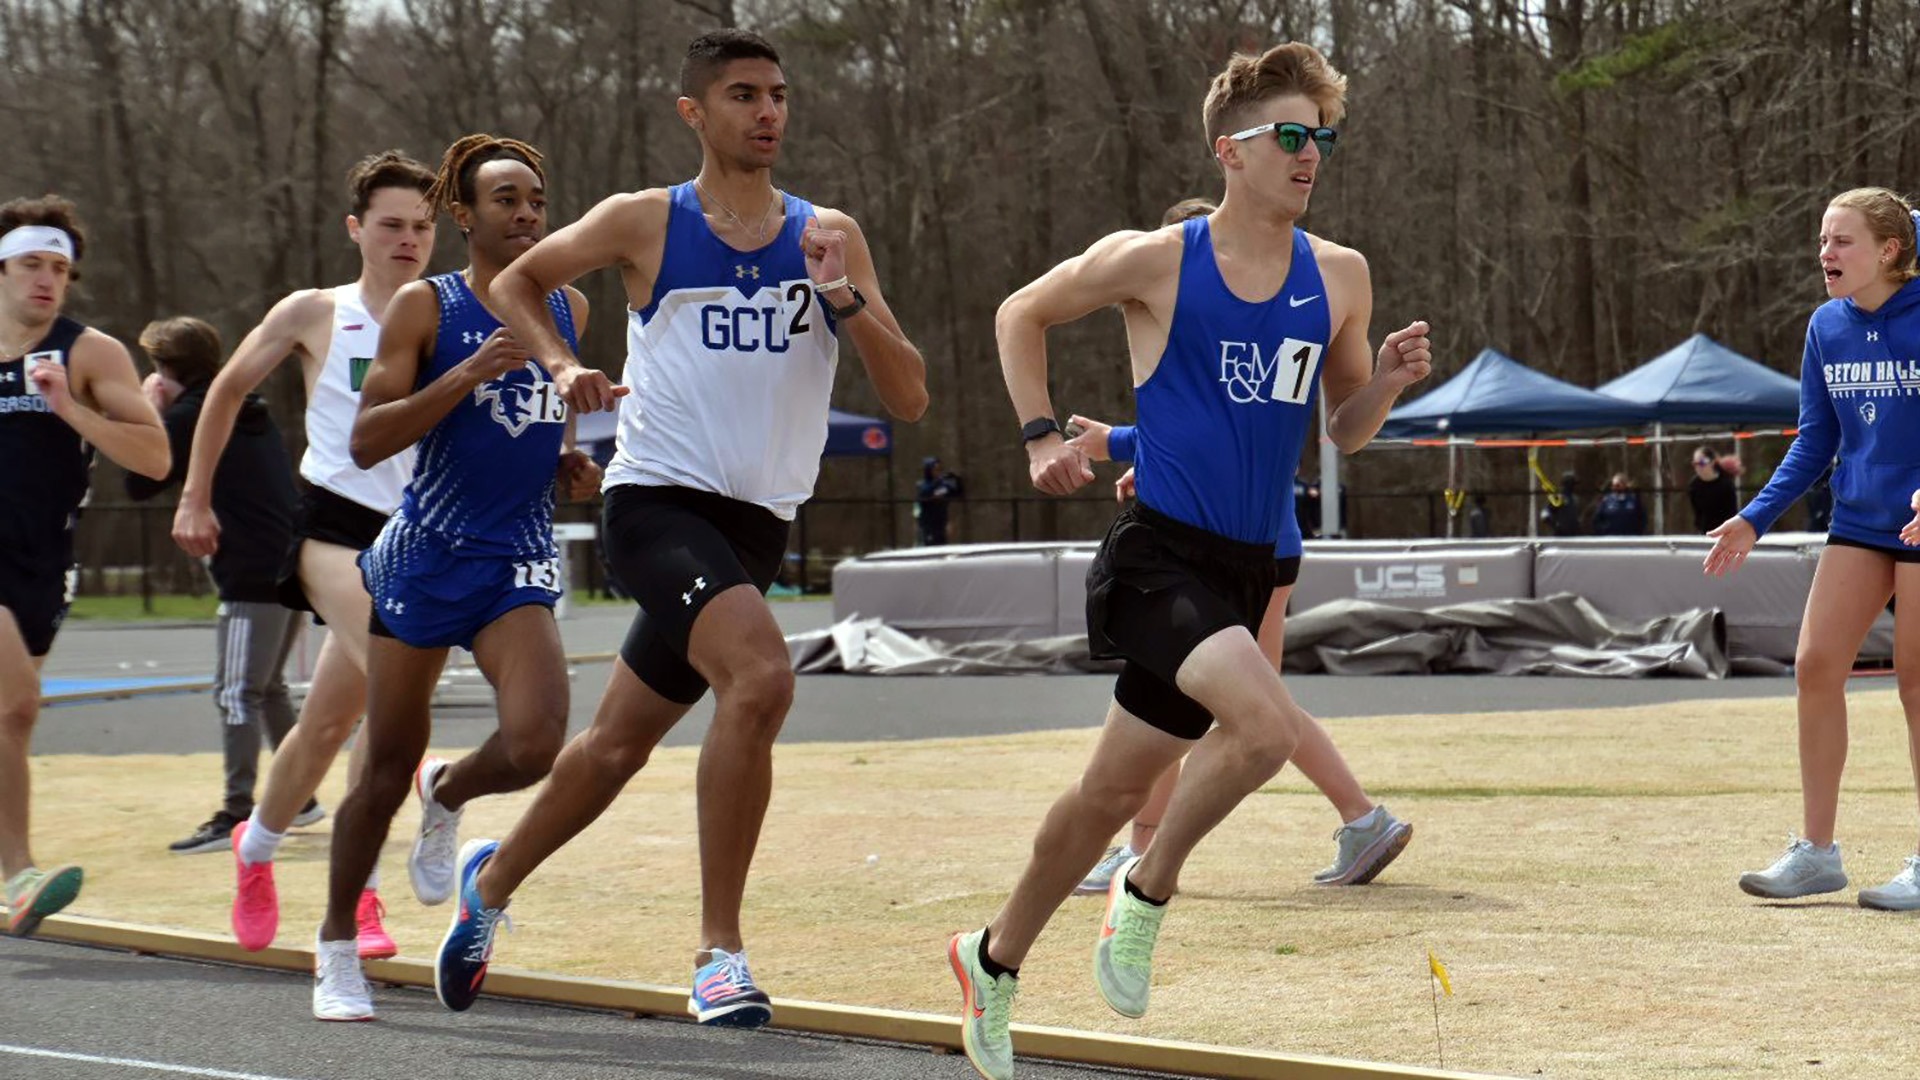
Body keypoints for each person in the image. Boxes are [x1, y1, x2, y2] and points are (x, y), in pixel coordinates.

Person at [950, 43, 1431, 1080]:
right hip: (1155, 558)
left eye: (1323, 138)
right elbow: (1018, 312)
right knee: (1262, 730)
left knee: (1096, 799)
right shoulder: (1160, 258)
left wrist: (1385, 380)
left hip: (1246, 566)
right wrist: (1040, 433)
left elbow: (1344, 429)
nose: (1312, 156)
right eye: (1292, 137)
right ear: (1233, 150)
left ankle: (989, 961)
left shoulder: (1338, 273)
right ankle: (1150, 887)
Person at [432, 28, 927, 1027]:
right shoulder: (645, 222)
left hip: (753, 527)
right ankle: (719, 954)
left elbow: (910, 396)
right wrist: (560, 366)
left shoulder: (826, 232)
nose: (768, 112)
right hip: (654, 504)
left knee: (614, 747)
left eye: (778, 94)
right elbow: (514, 283)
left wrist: (844, 298)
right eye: (743, 94)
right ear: (694, 113)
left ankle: (487, 889)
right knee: (762, 676)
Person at [309, 133, 599, 1021]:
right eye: (506, 199)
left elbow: (536, 415)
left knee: (537, 742)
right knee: (381, 767)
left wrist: (565, 464)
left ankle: (453, 790)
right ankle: (335, 950)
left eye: (536, 200)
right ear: (463, 216)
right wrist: (466, 372)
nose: (526, 215)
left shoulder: (570, 306)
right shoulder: (420, 309)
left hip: (514, 554)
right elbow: (367, 439)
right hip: (426, 556)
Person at [173, 150, 437, 959]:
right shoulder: (314, 312)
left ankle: (253, 851)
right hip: (331, 525)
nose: (408, 240)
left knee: (328, 727)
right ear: (356, 229)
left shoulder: (449, 314)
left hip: (418, 533)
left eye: (423, 226)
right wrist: (194, 495)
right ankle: (363, 895)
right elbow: (223, 390)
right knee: (398, 690)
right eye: (391, 225)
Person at [1064, 410, 1412, 897]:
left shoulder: (1245, 340)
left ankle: (1142, 849)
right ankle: (1362, 818)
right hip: (1257, 539)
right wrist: (1156, 462)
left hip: (1234, 546)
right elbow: (1238, 429)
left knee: (1173, 691)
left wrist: (1122, 442)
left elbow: (1223, 424)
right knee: (1254, 702)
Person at [1708, 187, 1920, 912]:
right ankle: (1818, 854)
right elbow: (1817, 440)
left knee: (1917, 684)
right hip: (1861, 521)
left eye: (1843, 241)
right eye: (1823, 240)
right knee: (1815, 667)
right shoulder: (1825, 327)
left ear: (1890, 250)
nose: (1825, 254)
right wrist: (1753, 518)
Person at [0, 195, 170, 935]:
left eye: (59, 268)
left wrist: (68, 407)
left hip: (42, 559)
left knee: (10, 719)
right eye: (31, 264)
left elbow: (154, 457)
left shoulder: (90, 353)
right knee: (16, 702)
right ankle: (18, 873)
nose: (46, 280)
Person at [126, 317, 303, 854]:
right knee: (267, 688)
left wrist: (149, 411)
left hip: (250, 571)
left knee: (236, 691)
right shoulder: (247, 404)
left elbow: (139, 481)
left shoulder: (186, 414)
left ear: (164, 368)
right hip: (290, 559)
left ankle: (237, 810)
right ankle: (302, 797)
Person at [914, 456, 964, 546]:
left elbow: (956, 493)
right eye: (935, 470)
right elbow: (924, 495)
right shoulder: (923, 485)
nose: (938, 472)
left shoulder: (943, 485)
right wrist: (937, 483)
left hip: (942, 524)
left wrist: (956, 480)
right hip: (928, 525)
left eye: (939, 469)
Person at [1687, 445, 1738, 533]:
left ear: (1712, 462)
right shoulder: (1694, 485)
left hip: (1724, 531)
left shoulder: (1725, 485)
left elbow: (1732, 512)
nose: (1698, 467)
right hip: (1704, 533)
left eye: (1702, 463)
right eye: (1695, 464)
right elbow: (1697, 513)